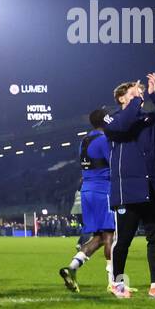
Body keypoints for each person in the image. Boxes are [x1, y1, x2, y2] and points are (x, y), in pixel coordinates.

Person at [101, 73, 155, 299]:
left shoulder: (150, 121)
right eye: (133, 92)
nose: (139, 94)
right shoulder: (111, 119)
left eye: (140, 92)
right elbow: (124, 125)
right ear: (121, 98)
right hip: (128, 191)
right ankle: (117, 285)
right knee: (124, 240)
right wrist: (137, 100)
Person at [59, 109, 115, 293]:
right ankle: (113, 282)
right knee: (110, 236)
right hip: (103, 190)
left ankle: (72, 267)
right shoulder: (103, 140)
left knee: (98, 237)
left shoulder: (84, 140)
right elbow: (115, 163)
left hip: (87, 191)